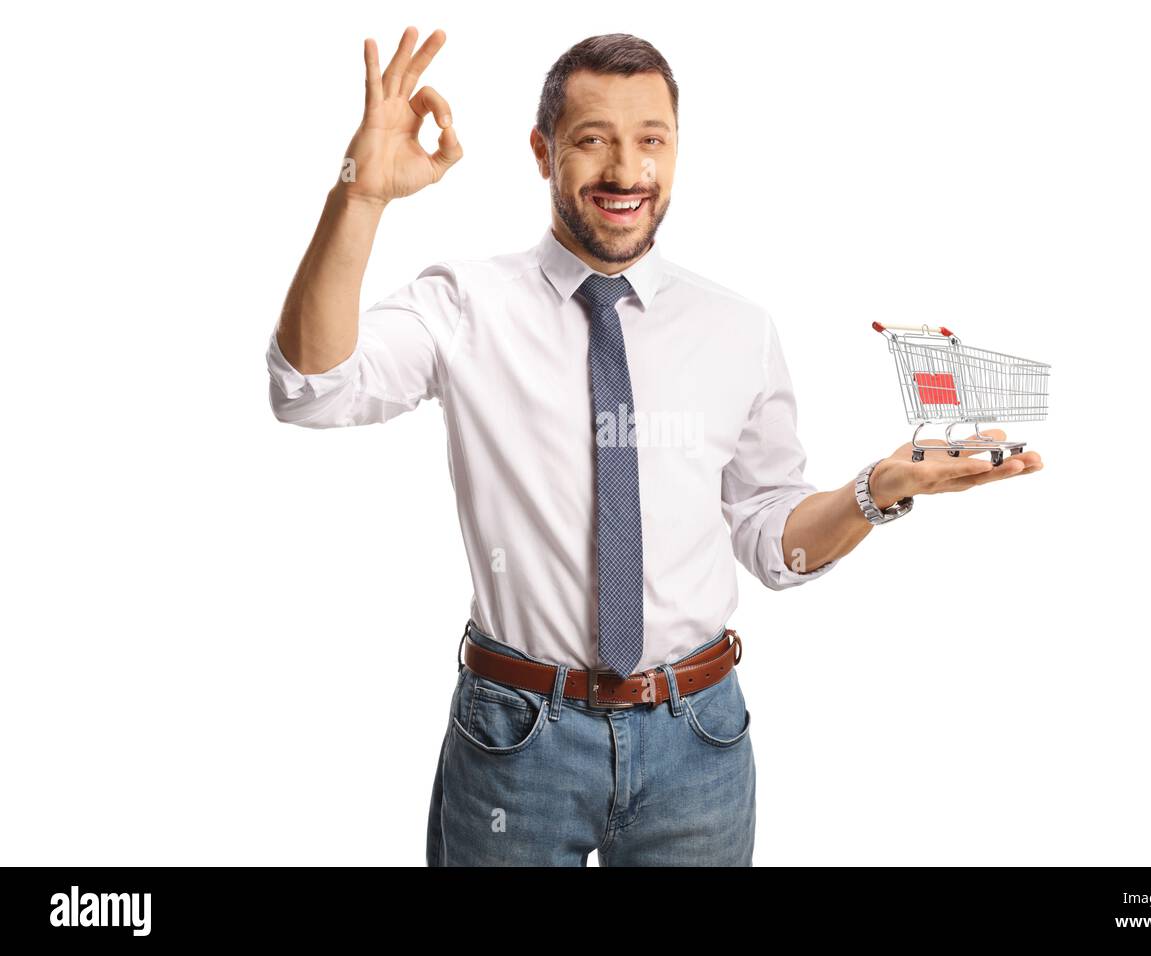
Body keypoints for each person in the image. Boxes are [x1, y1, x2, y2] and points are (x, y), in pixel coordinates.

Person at [265, 27, 1044, 866]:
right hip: (517, 738)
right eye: (593, 139)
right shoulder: (466, 305)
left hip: (698, 740)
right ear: (542, 150)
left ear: (676, 151)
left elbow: (770, 535)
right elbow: (311, 386)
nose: (625, 171)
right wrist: (362, 196)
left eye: (650, 141)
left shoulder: (736, 329)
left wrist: (876, 489)